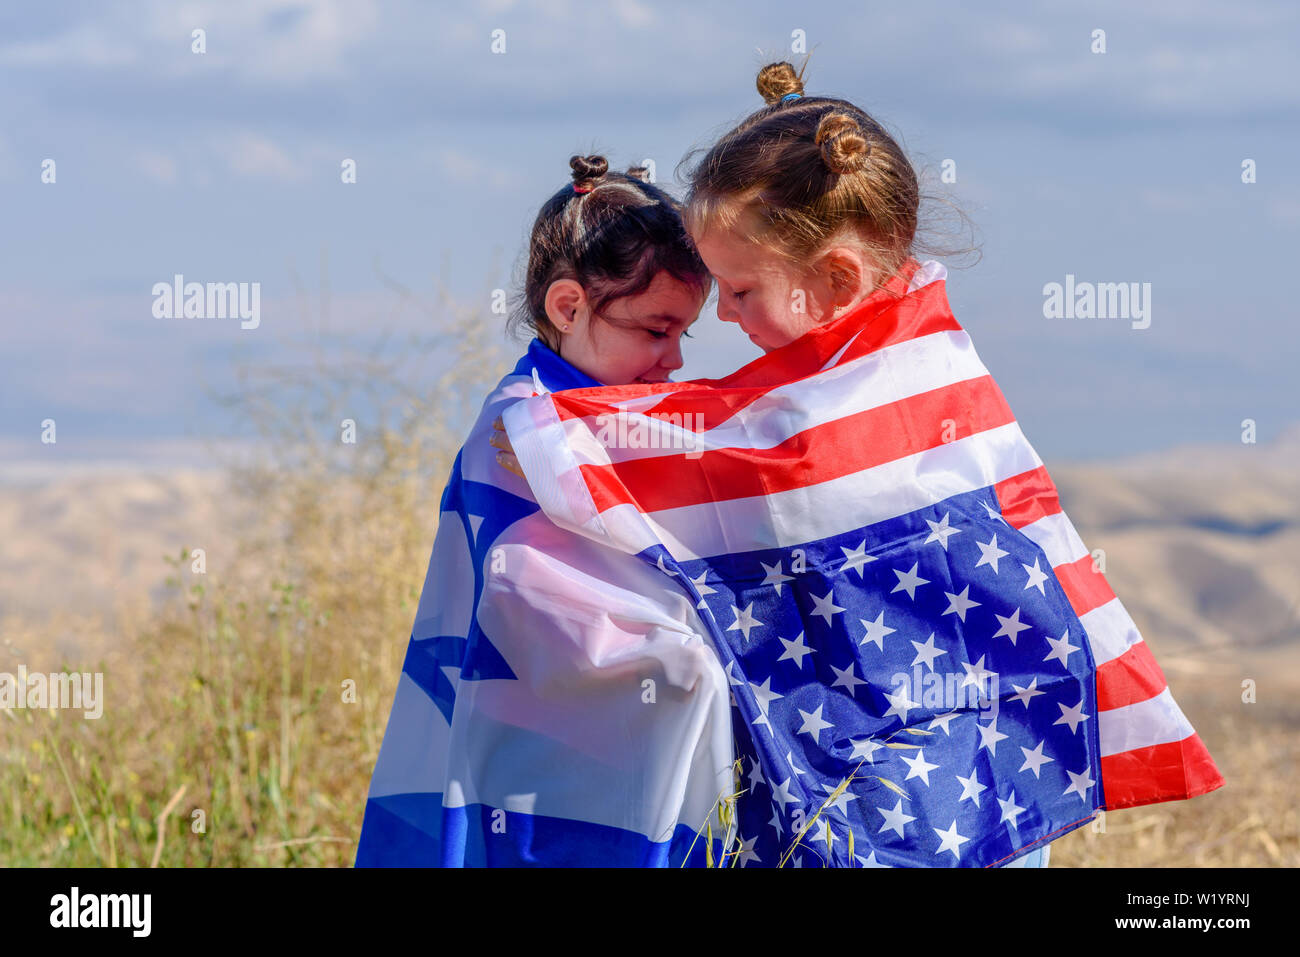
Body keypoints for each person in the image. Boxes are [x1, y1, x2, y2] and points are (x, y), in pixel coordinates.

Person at [496, 63, 1224, 867]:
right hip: (931, 761)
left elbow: (732, 460)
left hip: (954, 763)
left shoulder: (892, 394)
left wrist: (554, 427)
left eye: (738, 291)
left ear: (836, 278)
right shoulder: (892, 366)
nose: (726, 320)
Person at [355, 156, 742, 867]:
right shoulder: (522, 429)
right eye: (657, 330)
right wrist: (685, 659)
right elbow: (527, 600)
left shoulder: (618, 420)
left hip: (606, 757)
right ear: (568, 308)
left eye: (685, 334)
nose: (674, 359)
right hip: (538, 773)